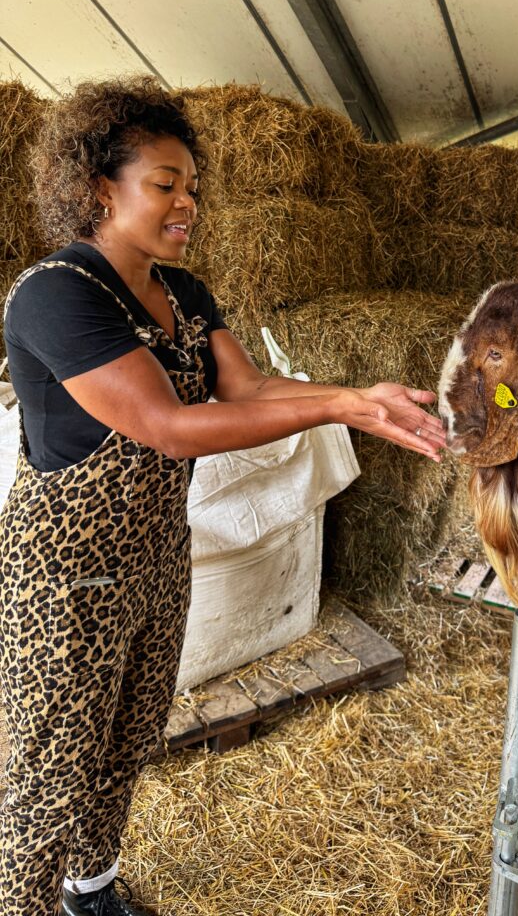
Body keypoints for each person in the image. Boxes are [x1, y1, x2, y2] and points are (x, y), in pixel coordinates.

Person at [0, 77, 445, 916]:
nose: (187, 203)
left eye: (192, 188)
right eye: (164, 183)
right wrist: (340, 408)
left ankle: (89, 890)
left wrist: (357, 394)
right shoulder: (55, 293)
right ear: (100, 188)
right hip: (67, 572)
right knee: (52, 763)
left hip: (158, 553)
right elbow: (168, 425)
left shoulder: (185, 293)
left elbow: (245, 388)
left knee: (129, 735)